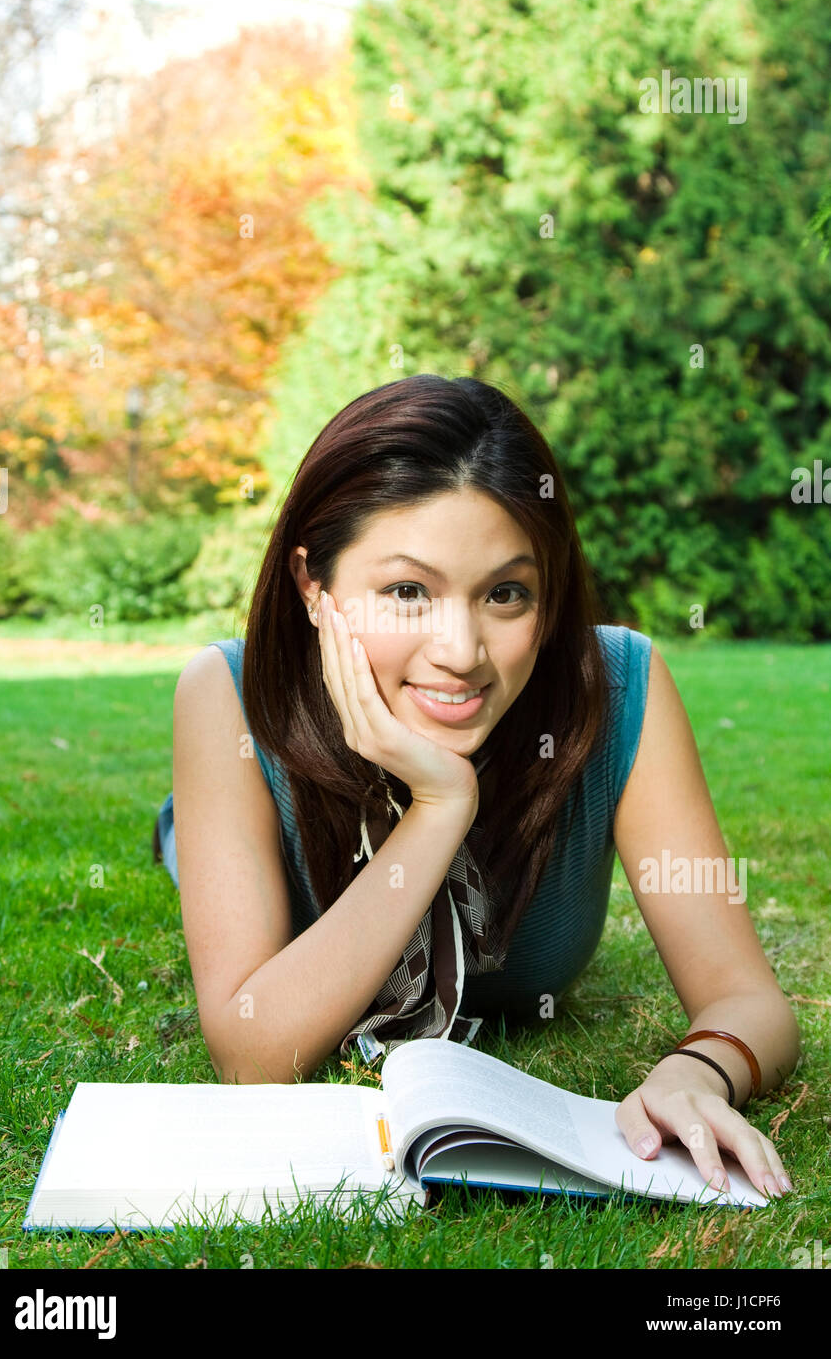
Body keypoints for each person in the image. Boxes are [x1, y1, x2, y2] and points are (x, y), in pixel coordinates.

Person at [153, 373, 798, 1203]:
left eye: (505, 593)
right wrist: (439, 809)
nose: (460, 651)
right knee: (190, 842)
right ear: (313, 586)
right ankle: (183, 829)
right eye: (407, 591)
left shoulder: (618, 683)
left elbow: (751, 1002)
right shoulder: (227, 693)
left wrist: (697, 1074)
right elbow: (253, 1055)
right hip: (257, 799)